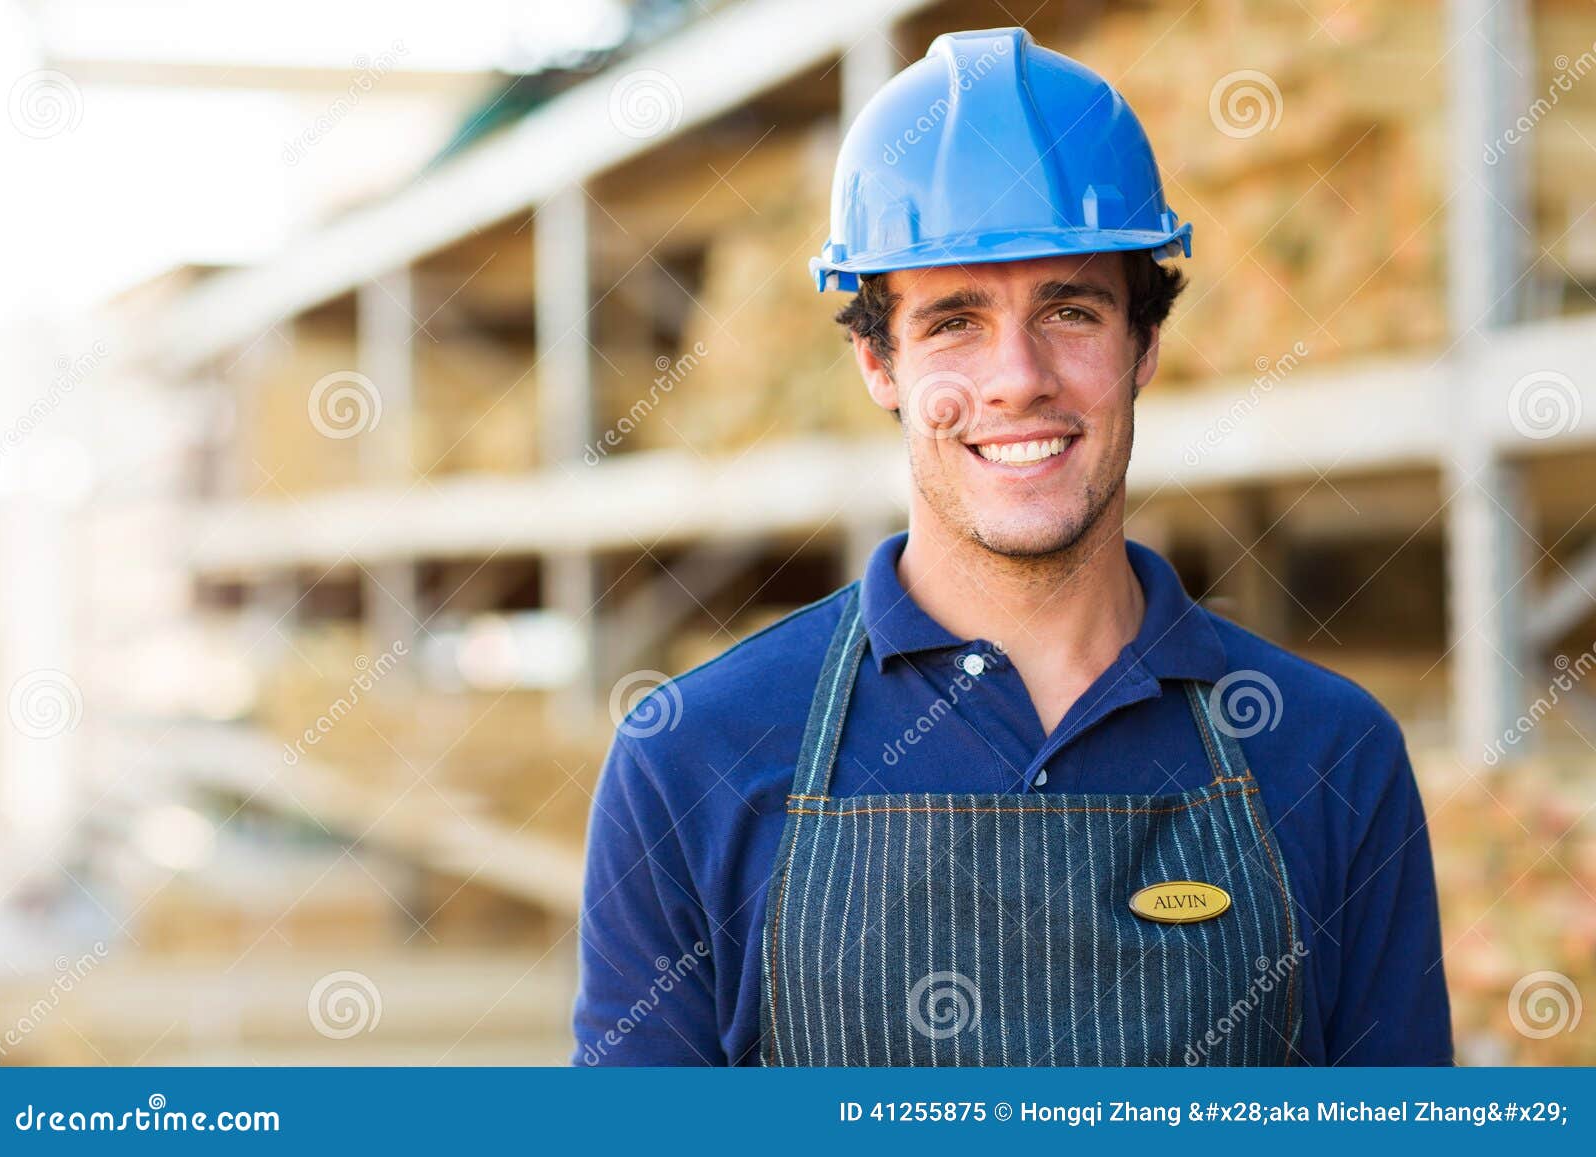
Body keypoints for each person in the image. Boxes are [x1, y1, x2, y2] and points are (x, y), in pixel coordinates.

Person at [572, 26, 1452, 1067]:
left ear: (1144, 342)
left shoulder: (1328, 755)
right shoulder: (693, 757)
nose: (1017, 377)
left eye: (1070, 310)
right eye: (952, 322)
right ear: (876, 360)